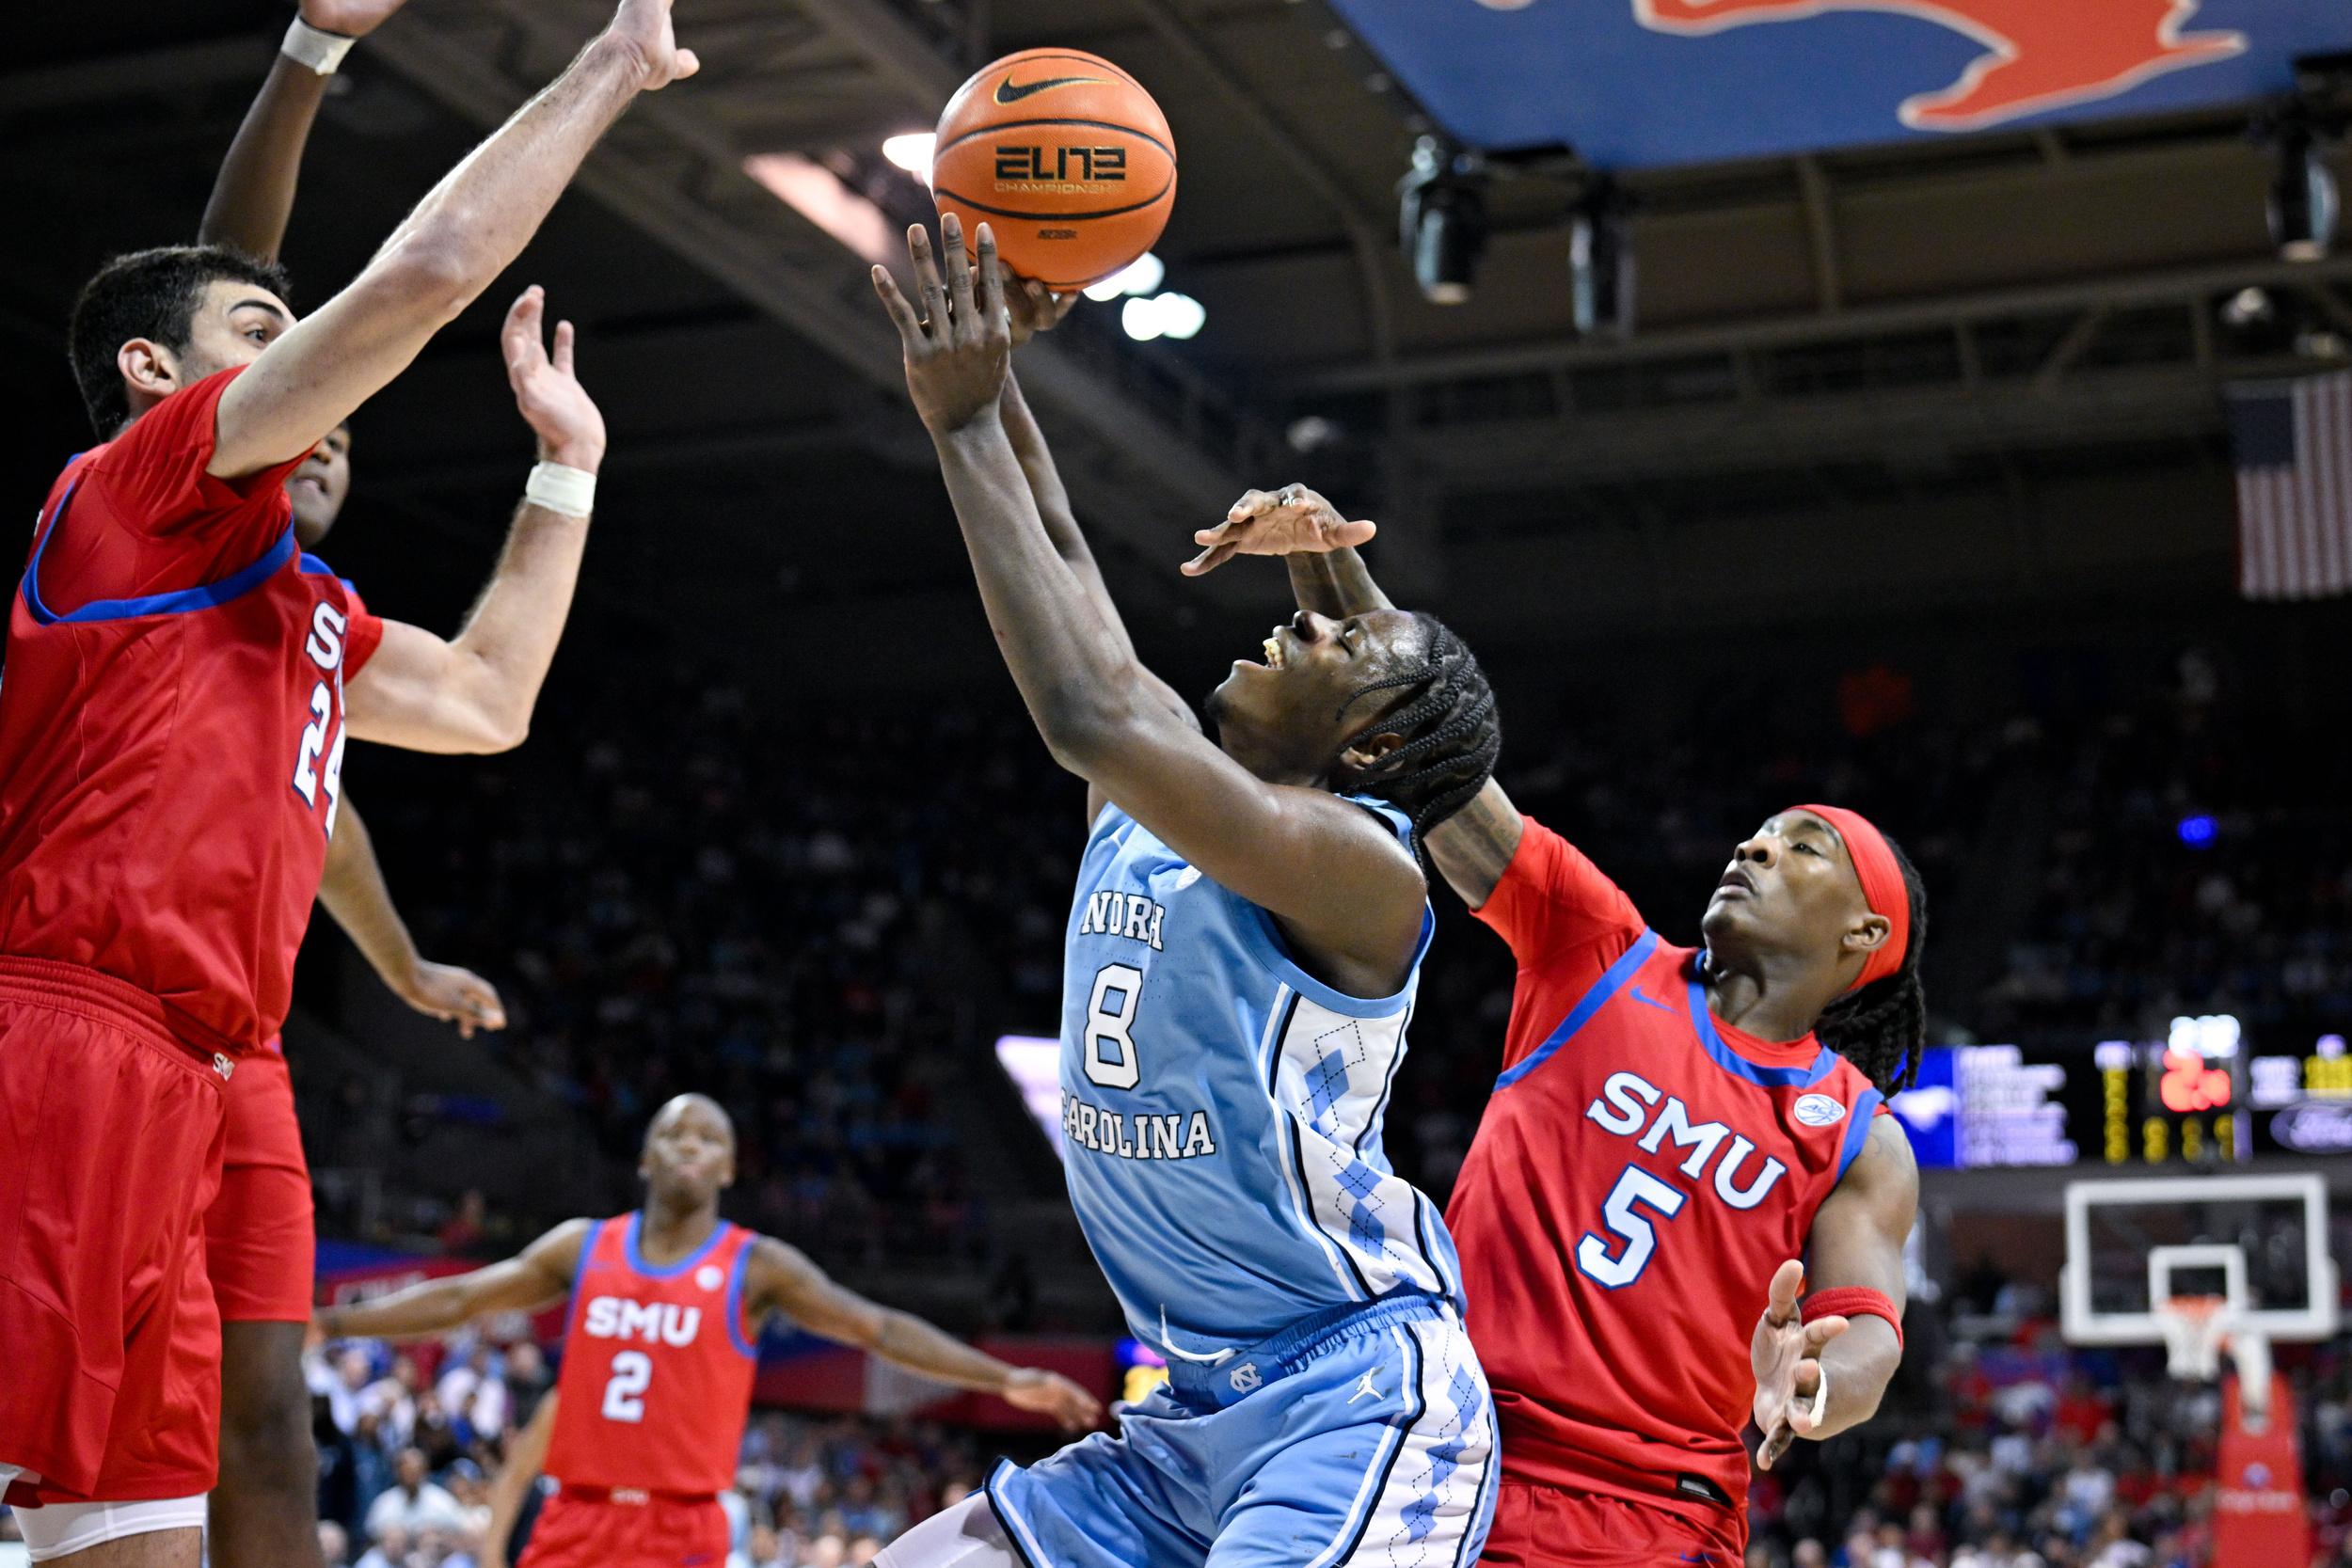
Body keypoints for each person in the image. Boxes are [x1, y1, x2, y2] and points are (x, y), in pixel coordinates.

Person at [0, 2, 699, 1560]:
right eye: (265, 339)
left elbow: (488, 698)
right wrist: (615, 61)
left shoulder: (301, 610)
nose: (316, 379)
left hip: (211, 1057)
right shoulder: (129, 492)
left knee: (160, 1504)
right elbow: (425, 275)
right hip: (69, 1023)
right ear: (154, 373)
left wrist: (564, 471)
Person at [866, 218, 1503, 1568]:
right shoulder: (1164, 785)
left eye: (1352, 641)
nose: (1310, 615)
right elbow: (1067, 567)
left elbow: (1086, 709)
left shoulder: (1364, 867)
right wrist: (998, 370)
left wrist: (963, 426)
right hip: (1193, 1411)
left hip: (1355, 1393)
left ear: (1374, 750)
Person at [1181, 486, 1928, 1568]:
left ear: (1865, 931)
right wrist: (1323, 566)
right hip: (1443, 1453)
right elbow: (1432, 748)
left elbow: (1868, 1327)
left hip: (1655, 1512)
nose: (1754, 850)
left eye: (1801, 845)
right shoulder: (1598, 949)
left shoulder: (1857, 1133)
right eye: (1757, 835)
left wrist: (1817, 1382)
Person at [315, 1094, 1101, 1568]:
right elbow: (460, 1300)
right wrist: (332, 1319)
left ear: (728, 1169)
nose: (689, 1145)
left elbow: (879, 1325)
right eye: (673, 1133)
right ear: (647, 1157)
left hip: (681, 1522)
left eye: (708, 1138)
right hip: (578, 1516)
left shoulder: (755, 1266)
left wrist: (1003, 1379)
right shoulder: (583, 1245)